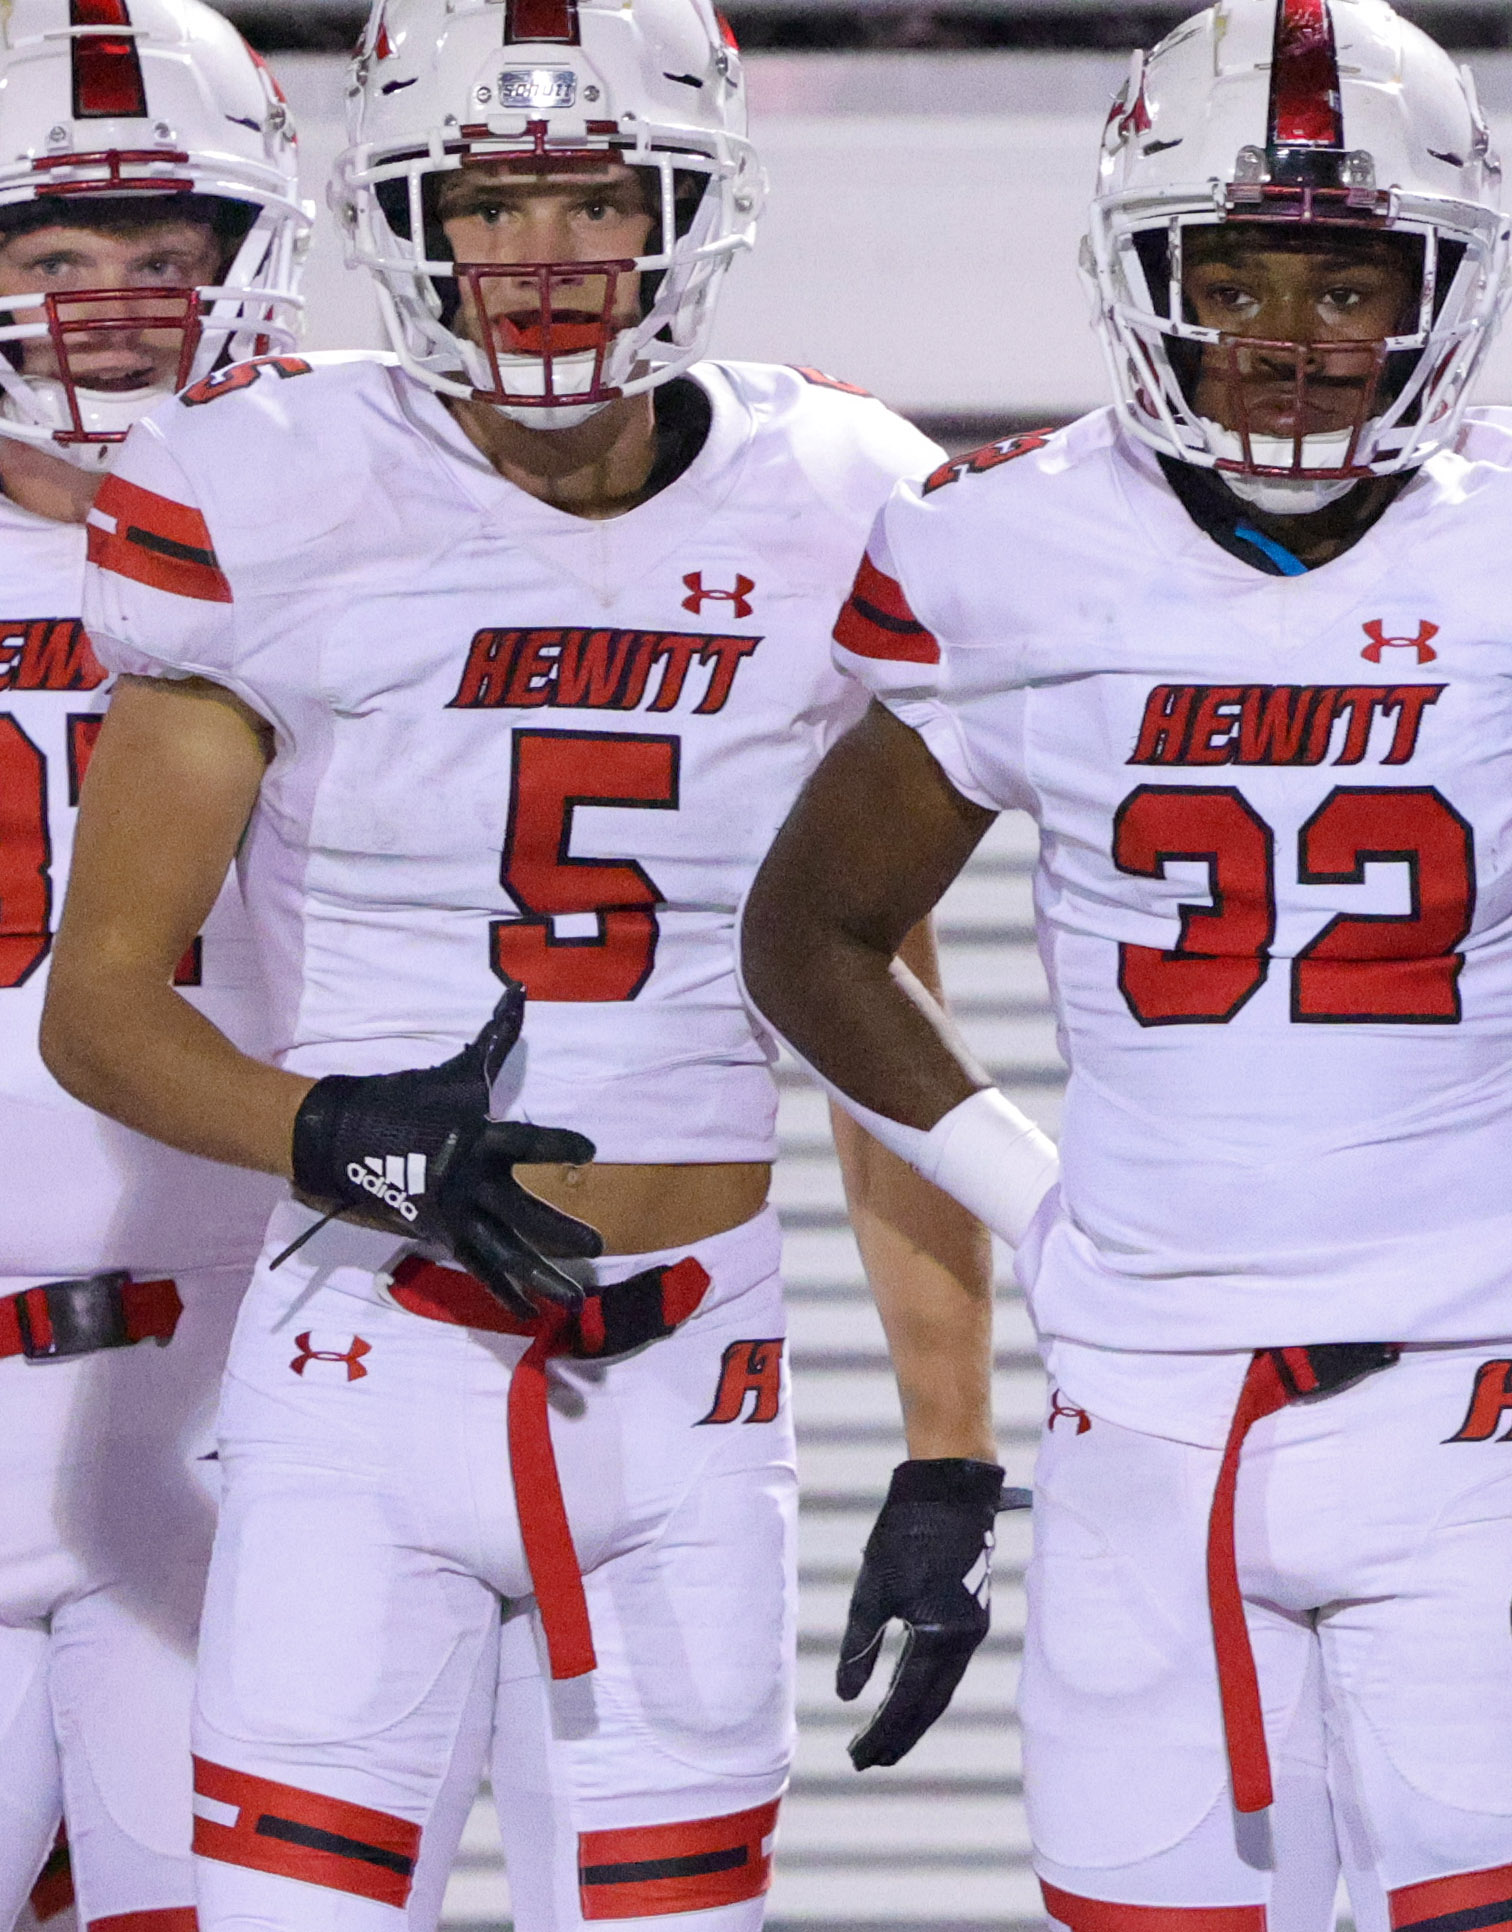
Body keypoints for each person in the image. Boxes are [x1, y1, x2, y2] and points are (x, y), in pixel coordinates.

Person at [736, 3, 1512, 1925]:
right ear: (1140, 279)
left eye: (1346, 280)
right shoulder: (1007, 549)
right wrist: (1035, 1195)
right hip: (1142, 1409)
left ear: (1441, 287)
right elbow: (805, 932)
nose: (1285, 335)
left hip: (1493, 1390)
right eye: (1230, 273)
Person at [38, 0, 983, 1922]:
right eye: (488, 200)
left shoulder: (842, 491)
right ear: (407, 219)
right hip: (366, 1352)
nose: (541, 250)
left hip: (697, 1370)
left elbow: (882, 1009)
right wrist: (354, 1141)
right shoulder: (264, 484)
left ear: (687, 203)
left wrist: (954, 1448)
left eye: (592, 193)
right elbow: (103, 1003)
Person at [0, 7, 305, 1928]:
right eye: (49, 257)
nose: (110, 309)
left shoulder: (355, 528)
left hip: (234, 1380)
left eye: (163, 258)